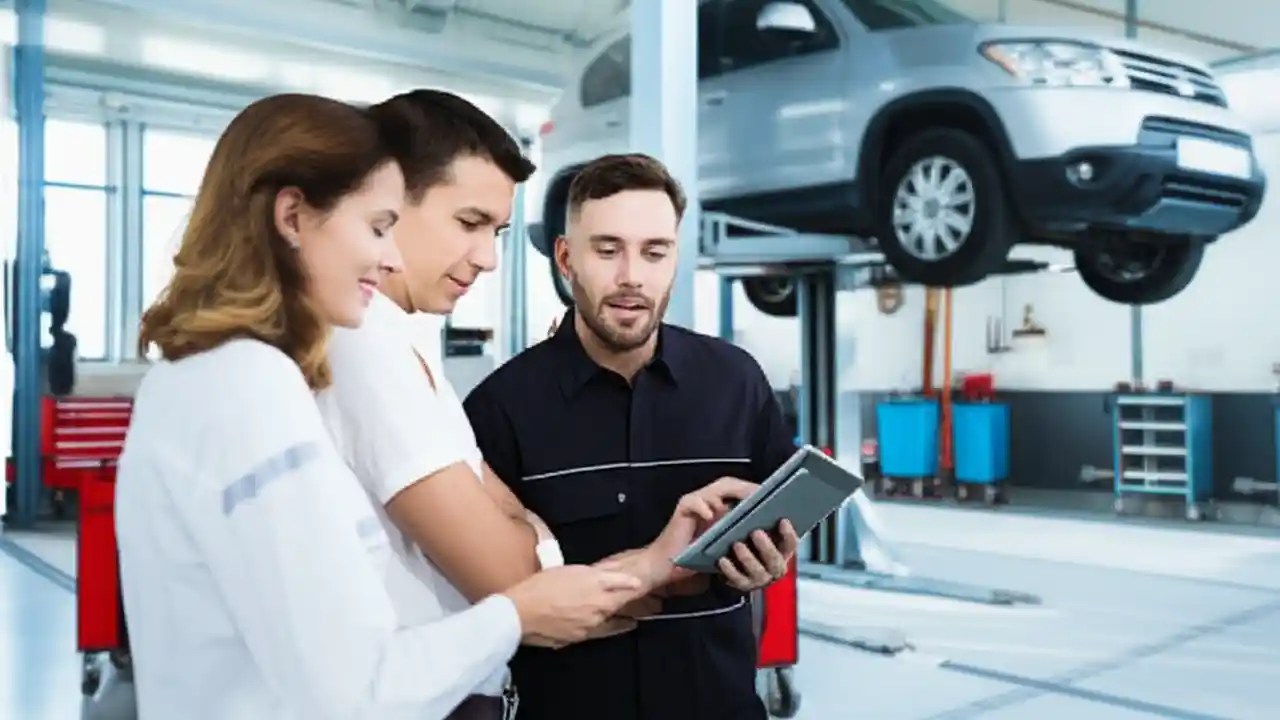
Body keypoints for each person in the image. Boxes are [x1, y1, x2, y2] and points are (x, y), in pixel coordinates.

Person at [113, 93, 653, 720]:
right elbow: (358, 687)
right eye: (377, 226)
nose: (390, 256)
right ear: (292, 216)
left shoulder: (217, 377)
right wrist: (517, 613)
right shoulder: (249, 384)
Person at [313, 91, 763, 718]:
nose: (488, 258)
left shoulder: (737, 381)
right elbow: (515, 579)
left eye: (655, 251)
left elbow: (514, 553)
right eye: (468, 224)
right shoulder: (390, 362)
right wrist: (650, 563)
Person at [462, 153, 801, 720]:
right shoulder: (500, 410)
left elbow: (779, 523)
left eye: (654, 252)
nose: (632, 277)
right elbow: (487, 599)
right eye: (608, 249)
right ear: (567, 259)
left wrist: (771, 557)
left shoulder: (736, 383)